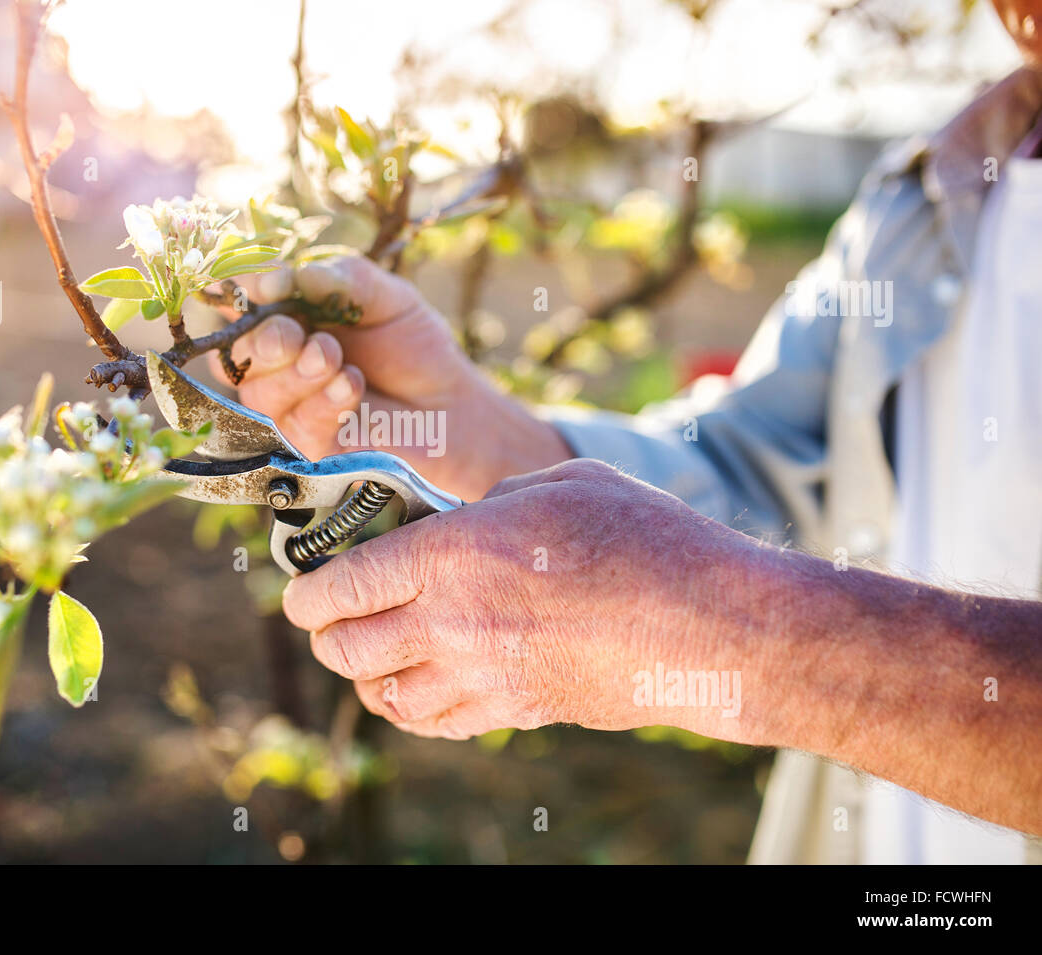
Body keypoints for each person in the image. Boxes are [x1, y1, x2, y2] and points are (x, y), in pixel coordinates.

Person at [211, 0, 1042, 863]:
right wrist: (452, 415)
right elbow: (750, 467)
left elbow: (738, 593)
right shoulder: (929, 190)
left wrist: (736, 632)